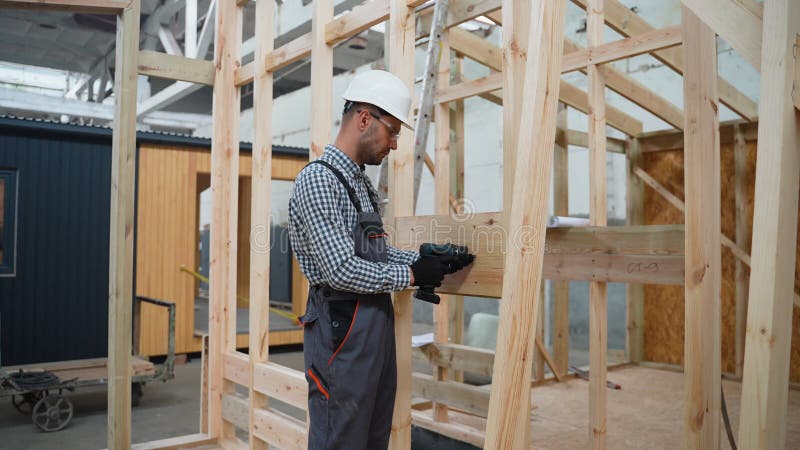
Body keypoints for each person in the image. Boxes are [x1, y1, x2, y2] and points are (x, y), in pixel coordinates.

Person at [288, 70, 465, 450]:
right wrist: (414, 273)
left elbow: (375, 255)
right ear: (365, 118)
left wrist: (426, 258)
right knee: (341, 437)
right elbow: (341, 270)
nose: (396, 144)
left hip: (372, 324)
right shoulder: (320, 180)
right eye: (394, 131)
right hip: (340, 330)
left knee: (372, 435)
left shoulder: (359, 182)